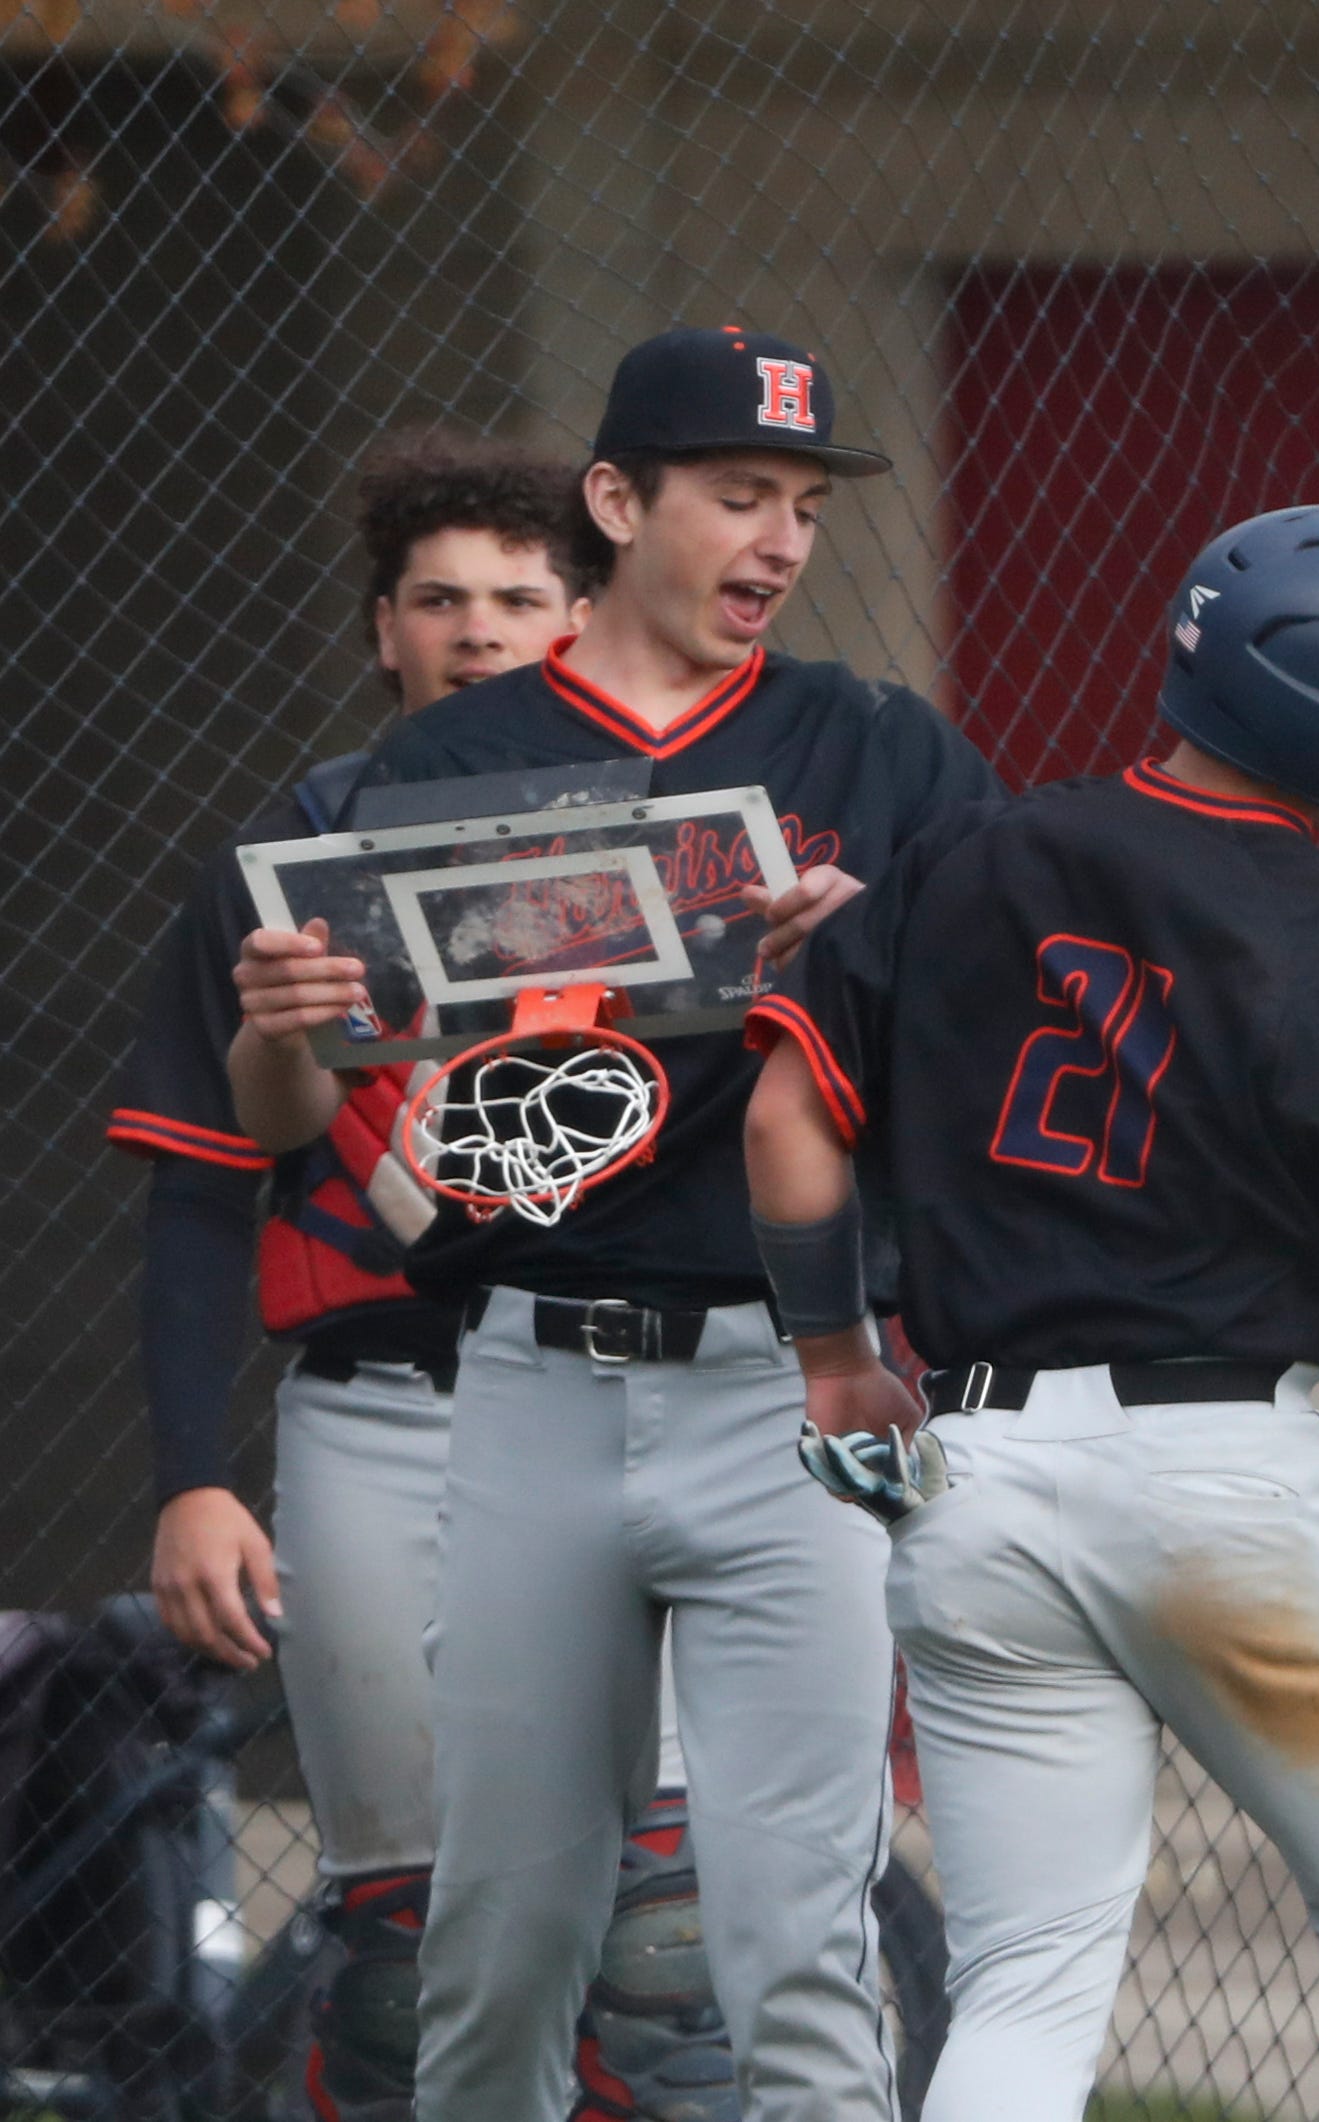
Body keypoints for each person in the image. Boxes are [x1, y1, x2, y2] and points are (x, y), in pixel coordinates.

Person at [221, 325, 1001, 2122]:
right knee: (497, 1943)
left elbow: (996, 1028)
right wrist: (280, 1029)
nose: (780, 540)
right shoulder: (449, 756)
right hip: (524, 1386)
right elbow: (296, 1125)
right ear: (616, 501)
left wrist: (874, 958)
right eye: (738, 494)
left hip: (788, 1389)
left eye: (803, 504)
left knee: (796, 1939)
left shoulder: (878, 746)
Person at [740, 505, 1319, 2122]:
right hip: (1217, 1480)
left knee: (1024, 1979)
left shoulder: (970, 855)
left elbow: (787, 1115)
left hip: (976, 1473)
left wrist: (836, 1359)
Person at [104, 428, 766, 2122]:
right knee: (406, 1958)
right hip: (386, 1414)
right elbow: (203, 1190)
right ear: (381, 630)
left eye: (520, 598)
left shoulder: (681, 843)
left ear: (584, 615)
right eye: (438, 598)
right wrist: (189, 1476)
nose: (478, 629)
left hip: (643, 1397)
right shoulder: (290, 860)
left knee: (663, 1957)